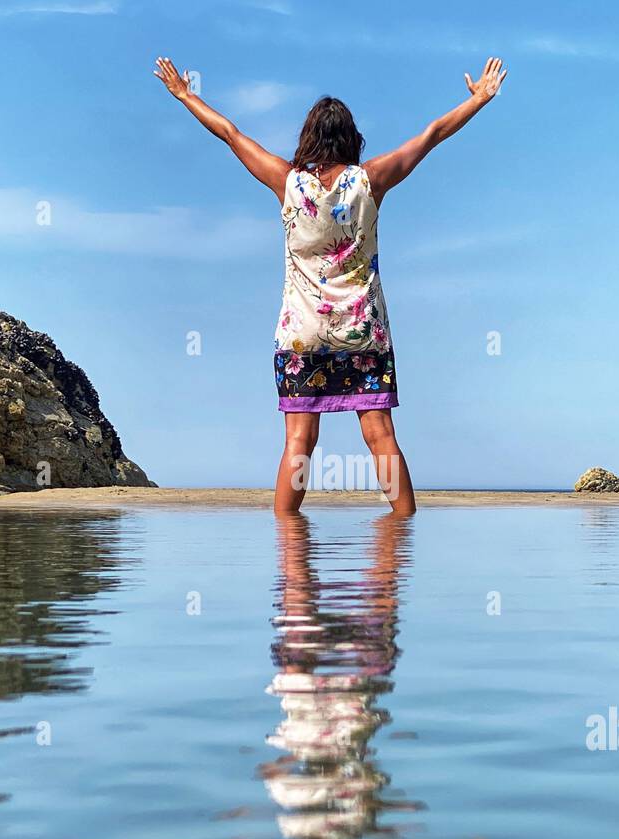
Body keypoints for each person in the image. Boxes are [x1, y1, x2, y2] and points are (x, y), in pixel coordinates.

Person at [153, 55, 508, 515]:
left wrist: (185, 95)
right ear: (352, 140)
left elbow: (230, 133)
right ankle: (401, 538)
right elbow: (432, 134)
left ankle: (288, 546)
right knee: (379, 432)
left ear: (308, 138)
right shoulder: (370, 180)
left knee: (299, 439)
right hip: (362, 332)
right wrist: (479, 99)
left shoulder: (288, 183)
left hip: (301, 334)